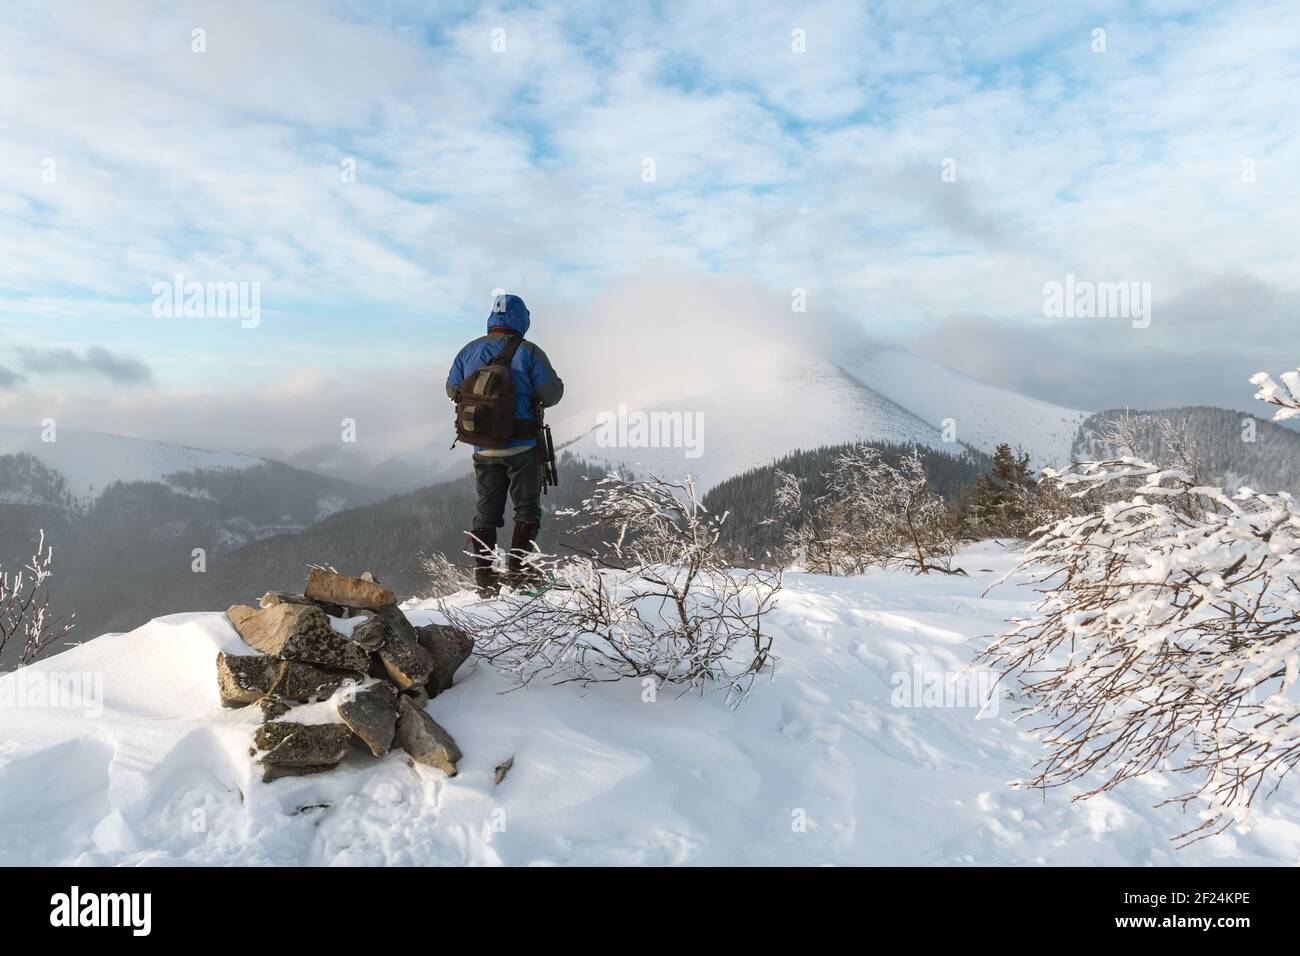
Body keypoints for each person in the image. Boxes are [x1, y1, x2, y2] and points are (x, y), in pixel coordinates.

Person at [446, 293, 564, 595]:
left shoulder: (467, 351)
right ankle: (518, 570)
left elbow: (451, 390)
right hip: (522, 446)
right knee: (526, 509)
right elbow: (551, 395)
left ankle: (485, 578)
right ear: (521, 319)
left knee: (486, 511)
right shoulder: (529, 352)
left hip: (482, 447)